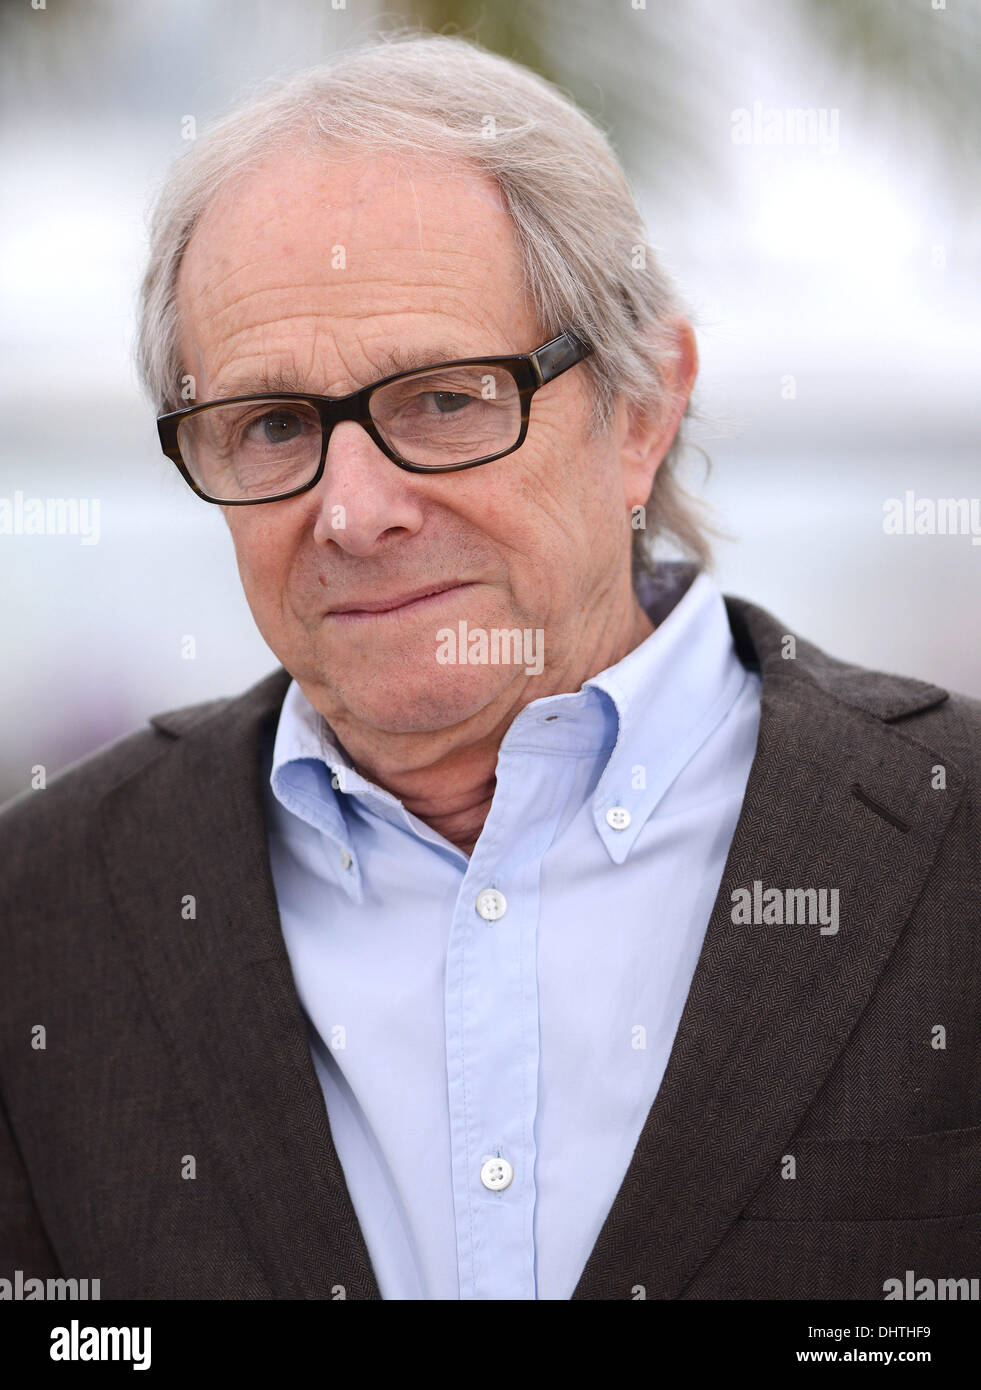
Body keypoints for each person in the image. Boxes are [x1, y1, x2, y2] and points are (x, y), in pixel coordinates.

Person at [2, 33, 979, 1302]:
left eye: (444, 400)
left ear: (642, 409)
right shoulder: (44, 911)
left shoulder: (953, 837)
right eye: (274, 424)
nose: (355, 511)